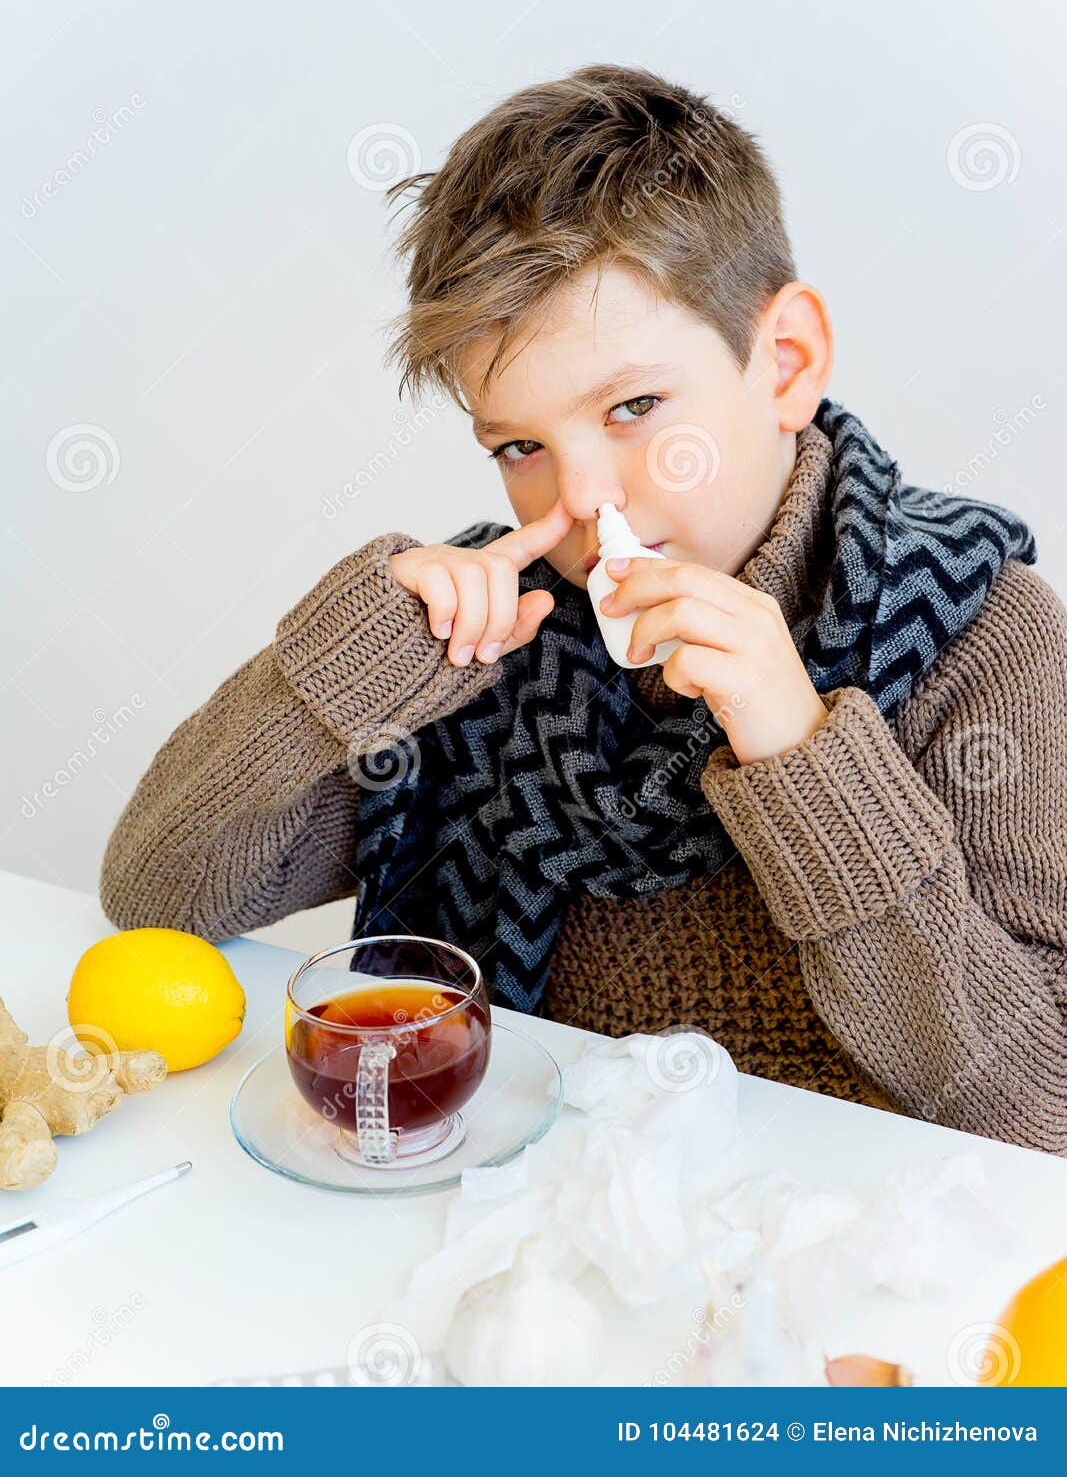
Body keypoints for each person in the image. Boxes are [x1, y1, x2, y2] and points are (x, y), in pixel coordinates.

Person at [101, 64, 1067, 1153]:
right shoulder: (475, 641)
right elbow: (161, 899)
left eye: (635, 407)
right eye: (519, 447)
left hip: (843, 1257)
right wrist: (329, 672)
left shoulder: (984, 633)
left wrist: (803, 758)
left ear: (783, 362)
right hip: (539, 1229)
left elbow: (1040, 1103)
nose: (581, 502)